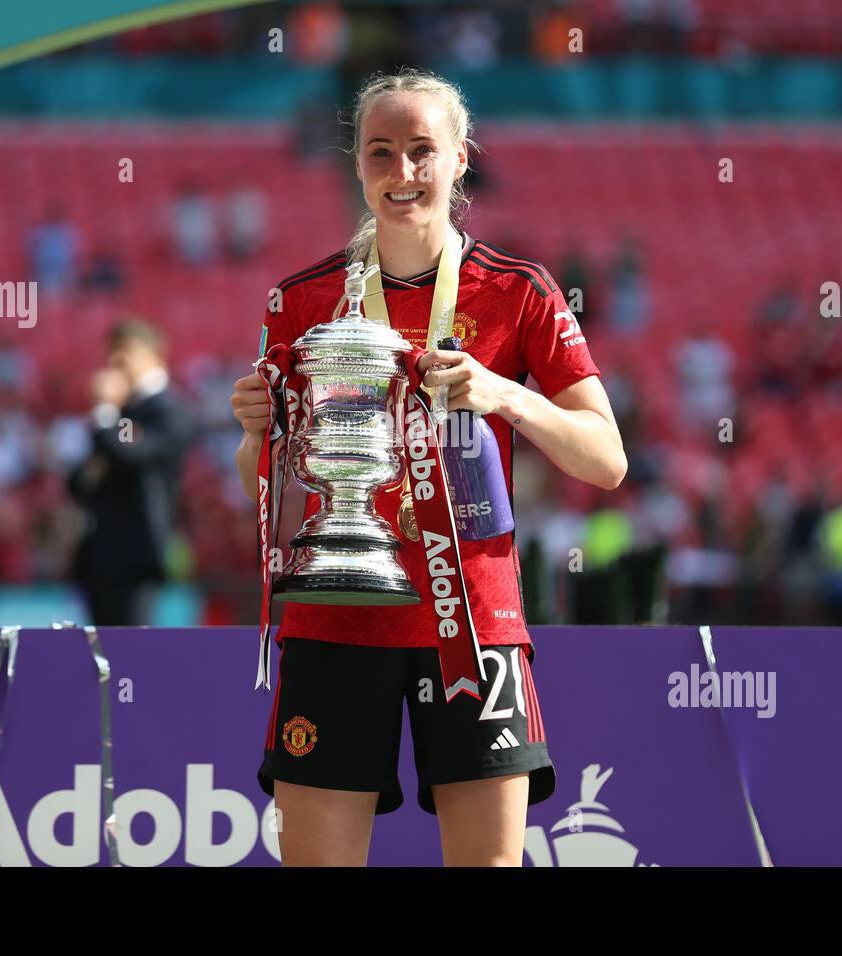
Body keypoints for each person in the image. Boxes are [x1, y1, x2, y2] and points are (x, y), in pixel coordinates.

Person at [229, 67, 627, 866]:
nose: (402, 173)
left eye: (421, 151)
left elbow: (606, 460)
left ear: (459, 159)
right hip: (337, 612)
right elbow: (266, 489)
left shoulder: (521, 292)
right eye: (381, 153)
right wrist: (256, 437)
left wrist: (503, 395)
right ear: (357, 165)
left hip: (472, 619)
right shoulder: (301, 301)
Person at [69, 319, 194, 626]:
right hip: (100, 557)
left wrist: (103, 413)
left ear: (154, 353)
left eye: (124, 352)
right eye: (111, 354)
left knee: (132, 654)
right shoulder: (122, 413)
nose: (115, 363)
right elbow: (81, 481)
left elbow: (129, 455)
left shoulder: (168, 409)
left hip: (137, 555)